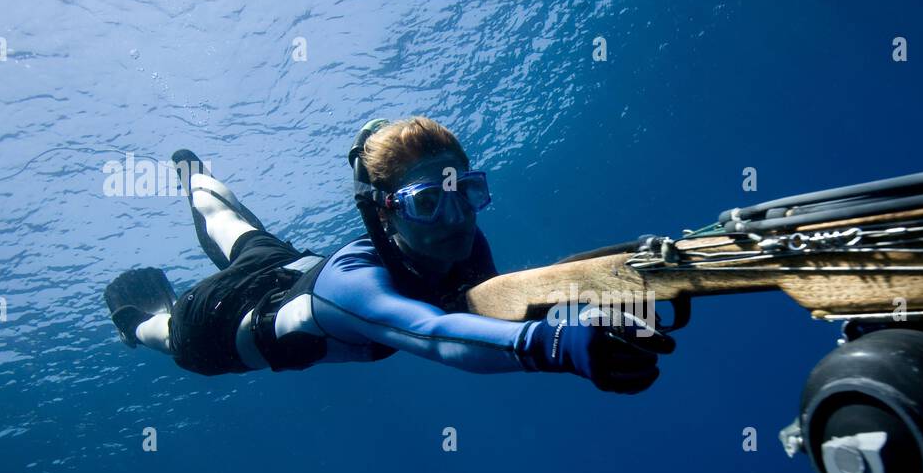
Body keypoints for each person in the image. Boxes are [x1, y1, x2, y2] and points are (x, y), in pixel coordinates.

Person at [102, 117, 673, 394]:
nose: (455, 217)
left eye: (466, 191)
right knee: (166, 325)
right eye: (427, 202)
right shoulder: (352, 288)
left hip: (291, 267)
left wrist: (595, 300)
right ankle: (134, 323)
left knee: (237, 228)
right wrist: (557, 344)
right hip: (219, 323)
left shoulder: (465, 240)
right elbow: (438, 333)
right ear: (385, 213)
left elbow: (492, 306)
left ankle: (197, 180)